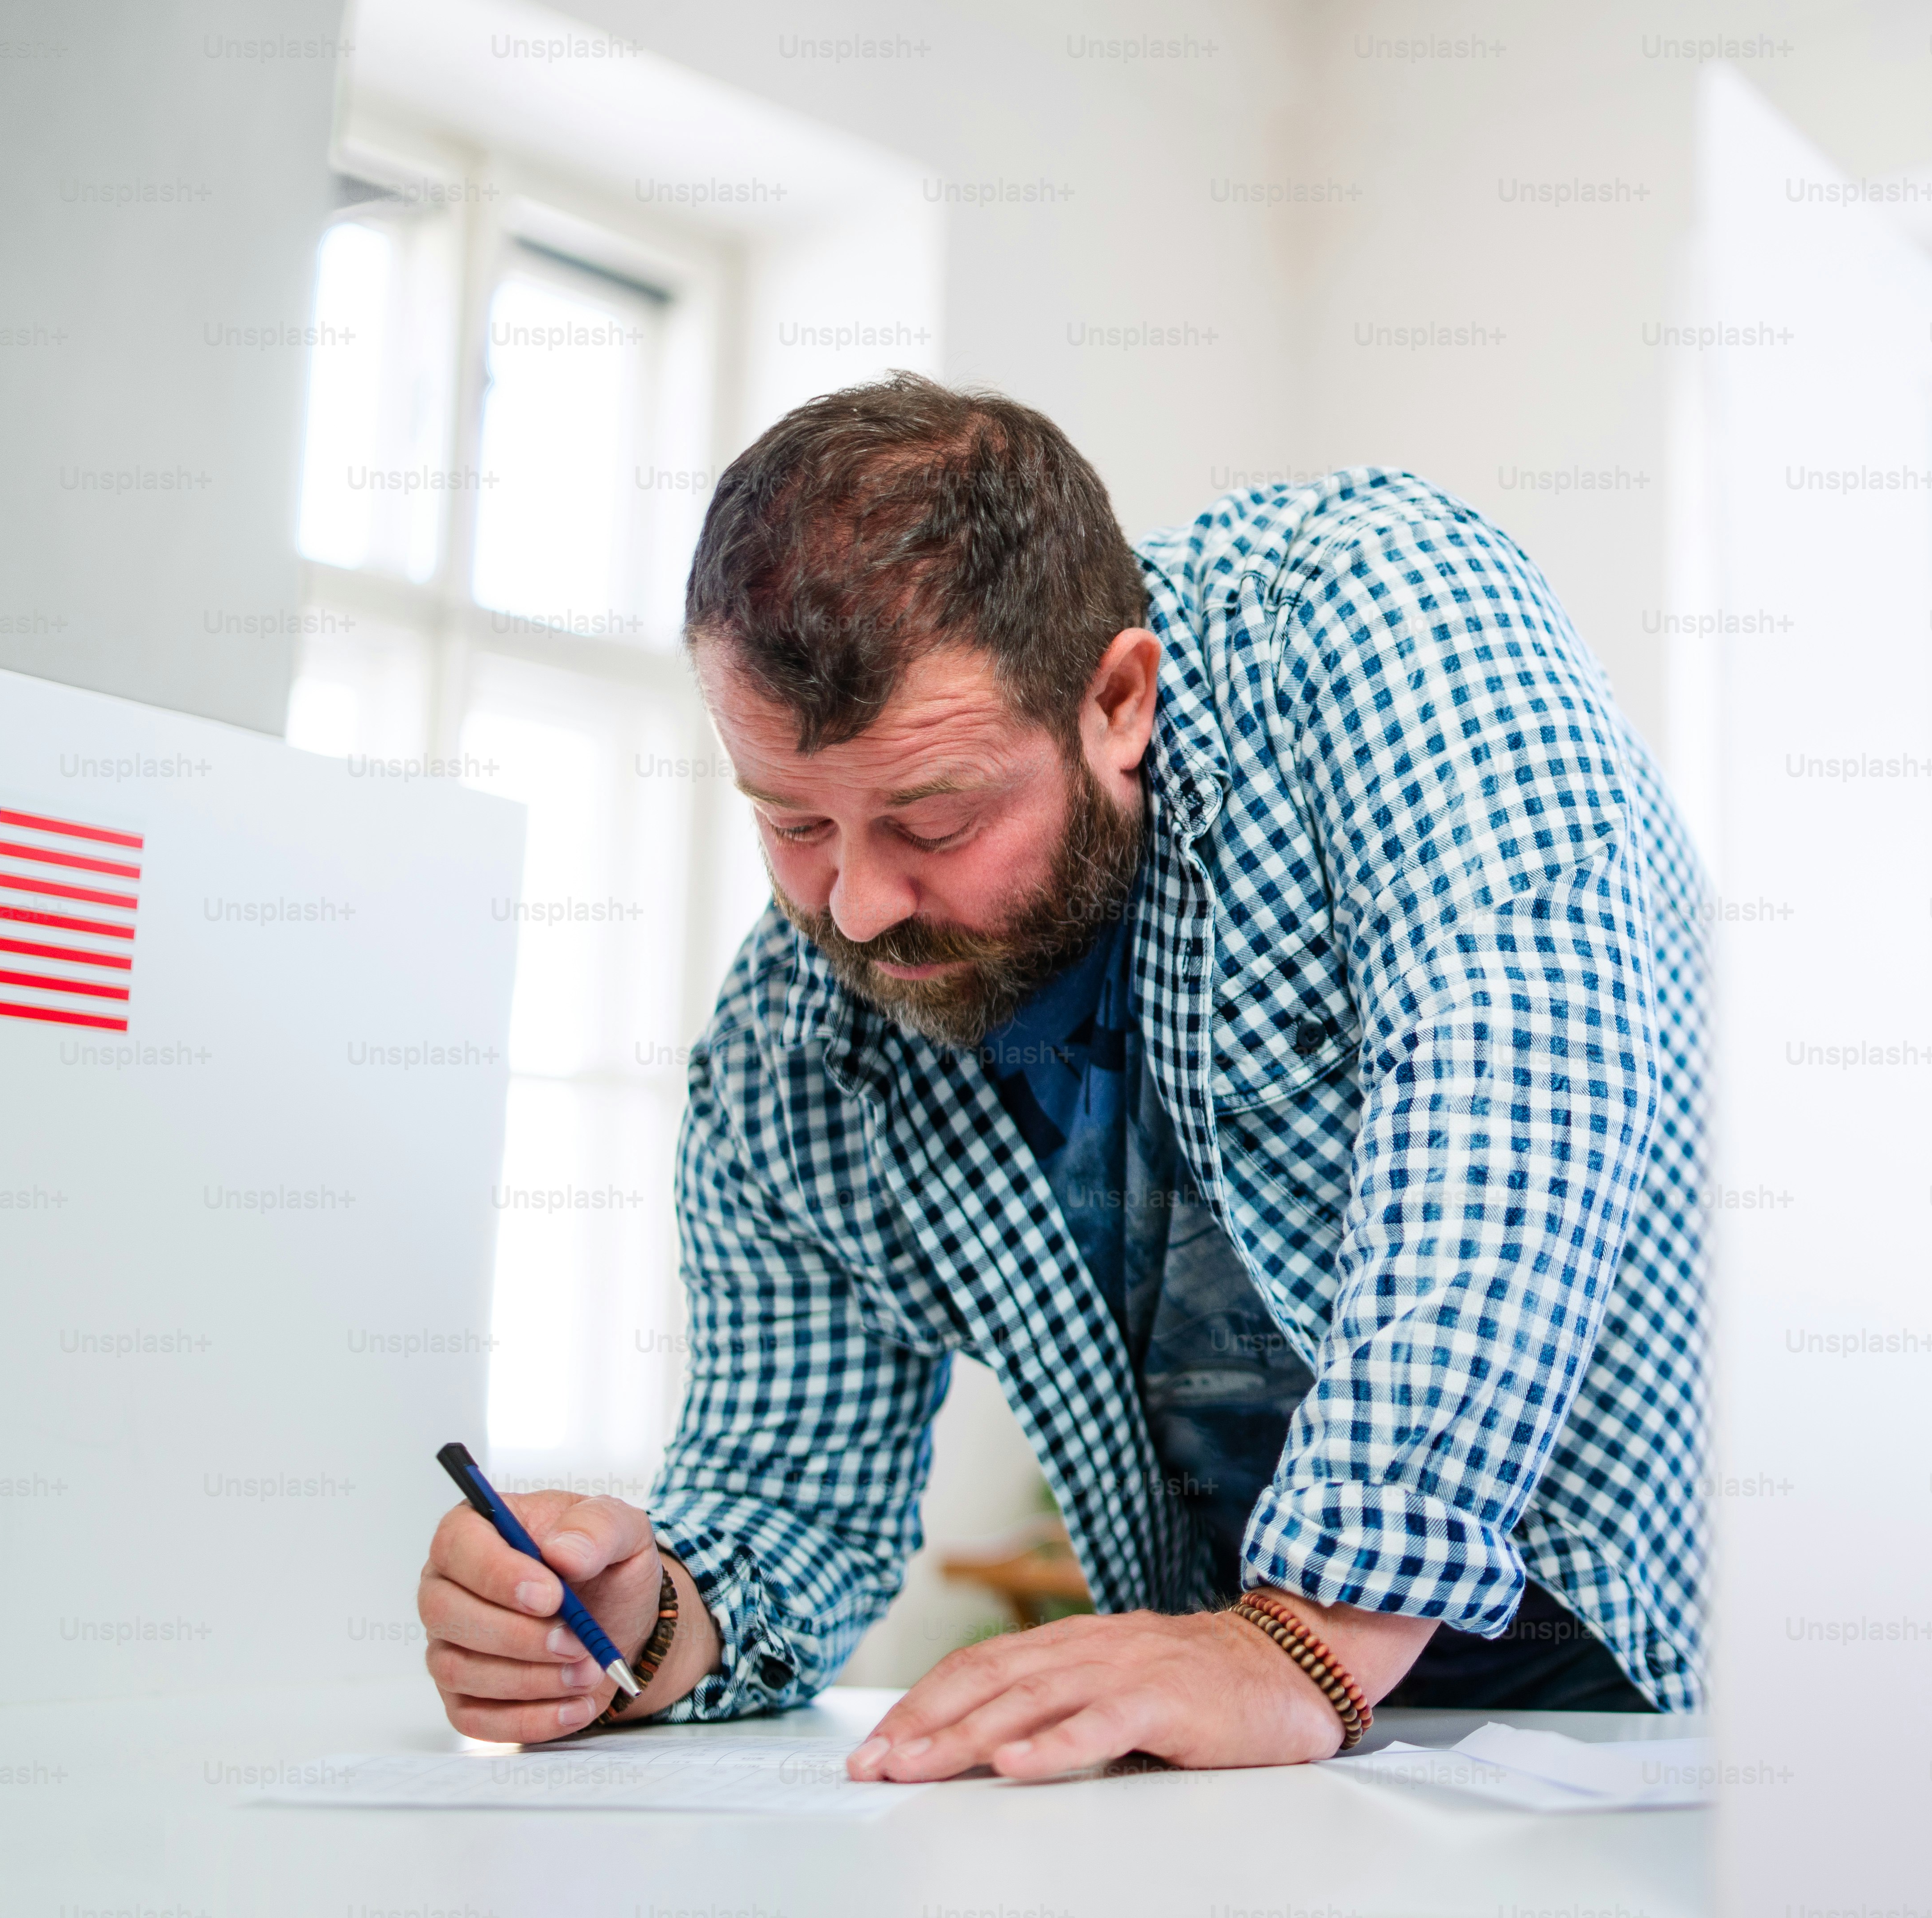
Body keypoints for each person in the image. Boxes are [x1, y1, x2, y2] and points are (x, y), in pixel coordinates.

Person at [412, 376, 1711, 1778]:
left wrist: (1309, 1632)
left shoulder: (1367, 609)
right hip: (1277, 1745)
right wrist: (652, 1619)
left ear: (1117, 699)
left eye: (934, 816)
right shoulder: (792, 1047)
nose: (851, 907)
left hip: (1683, 1663)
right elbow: (788, 1492)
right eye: (792, 820)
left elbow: (1513, 1082)